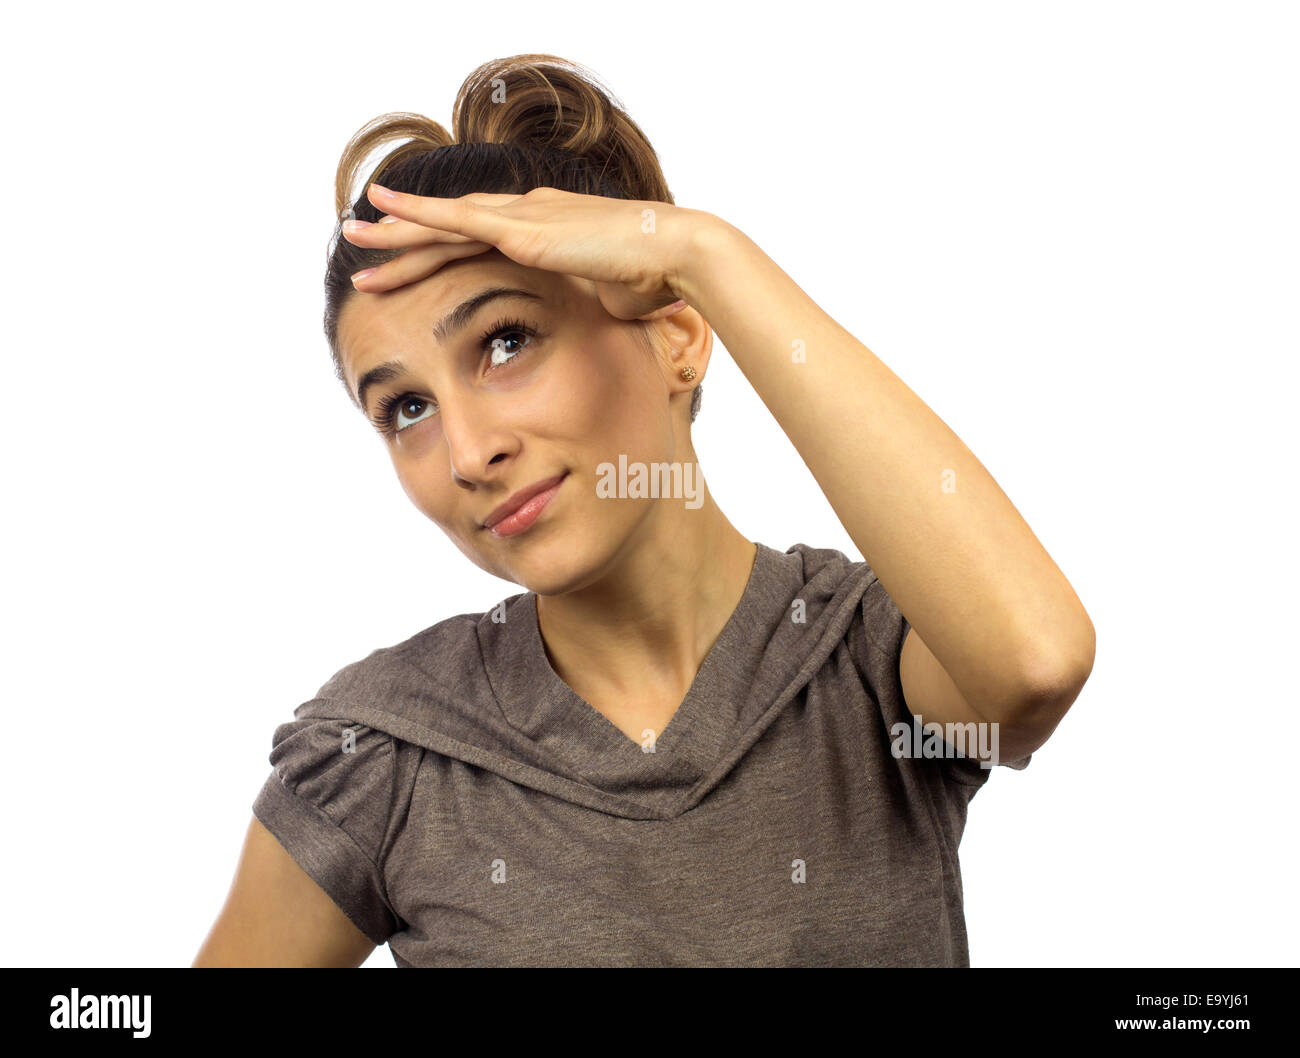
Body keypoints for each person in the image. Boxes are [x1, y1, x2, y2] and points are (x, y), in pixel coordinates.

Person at [194, 53, 1094, 968]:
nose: (469, 453)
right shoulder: (389, 751)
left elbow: (1034, 665)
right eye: (407, 409)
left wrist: (701, 252)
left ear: (677, 338)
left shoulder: (866, 661)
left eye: (506, 342)